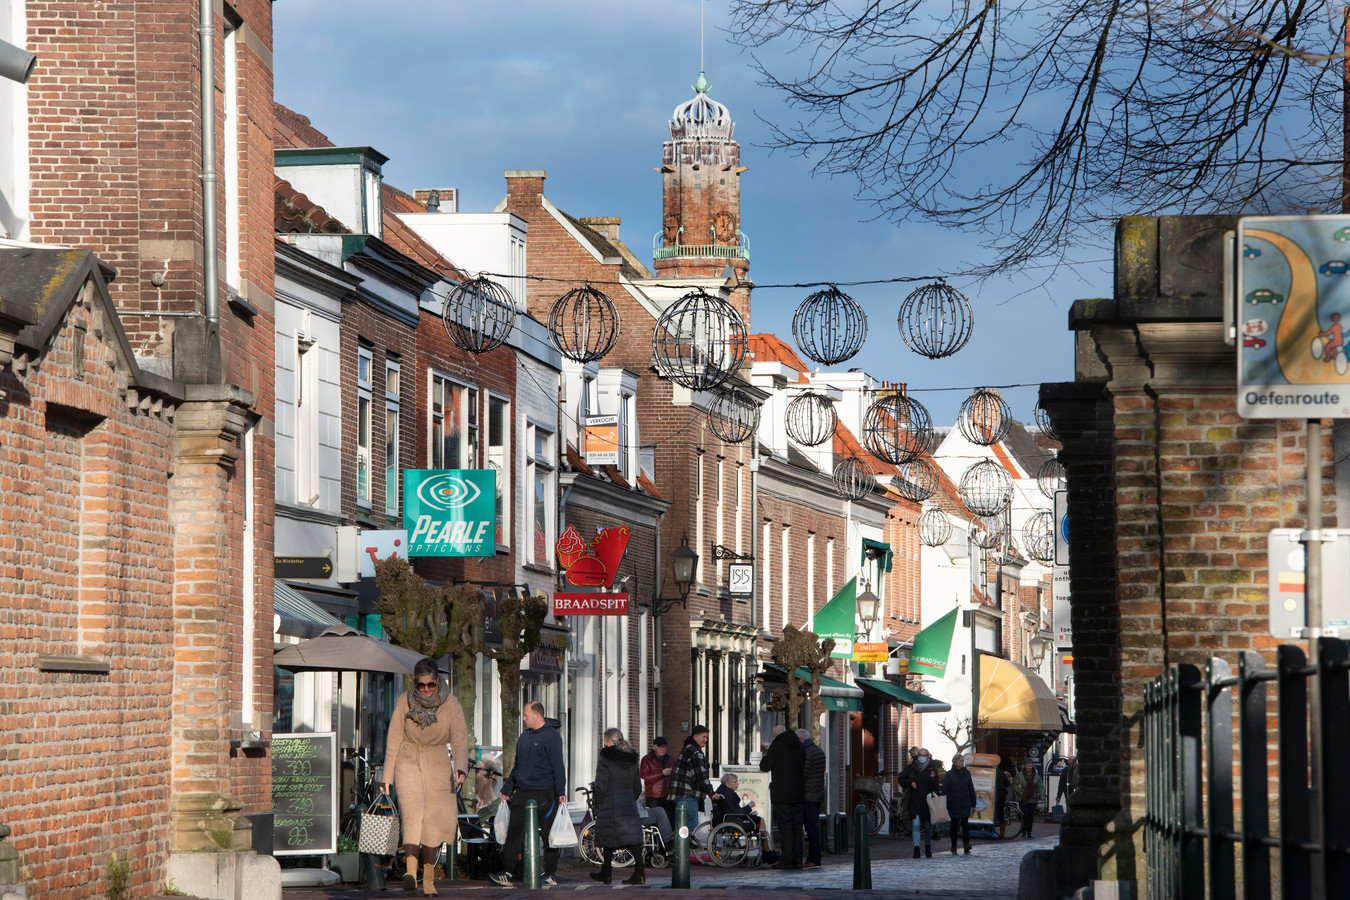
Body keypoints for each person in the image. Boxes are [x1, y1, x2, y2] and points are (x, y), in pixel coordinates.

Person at [381, 659, 469, 898]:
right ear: (415, 683)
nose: (427, 689)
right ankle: (410, 872)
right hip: (407, 761)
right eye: (421, 686)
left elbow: (460, 739)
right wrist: (386, 776)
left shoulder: (451, 704)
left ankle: (428, 879)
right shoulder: (403, 701)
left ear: (438, 681)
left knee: (433, 821)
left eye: (431, 684)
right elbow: (393, 740)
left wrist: (461, 767)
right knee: (412, 815)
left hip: (438, 764)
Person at [490, 702, 568, 887]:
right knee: (514, 832)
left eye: (525, 715)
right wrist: (507, 789)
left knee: (549, 835)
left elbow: (558, 766)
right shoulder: (524, 737)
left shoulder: (552, 737)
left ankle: (550, 874)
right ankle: (508, 872)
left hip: (545, 793)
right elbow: (517, 767)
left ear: (537, 715)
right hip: (522, 792)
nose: (523, 719)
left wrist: (561, 792)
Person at [589, 728, 646, 886]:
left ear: (608, 741)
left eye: (604, 739)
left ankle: (606, 873)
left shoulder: (605, 759)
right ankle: (639, 873)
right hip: (628, 803)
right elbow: (637, 787)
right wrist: (629, 798)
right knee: (633, 839)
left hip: (610, 802)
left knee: (609, 837)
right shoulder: (632, 759)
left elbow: (600, 785)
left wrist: (598, 803)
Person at [759, 724, 805, 869]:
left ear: (776, 736)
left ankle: (786, 859)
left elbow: (764, 766)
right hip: (798, 792)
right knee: (797, 827)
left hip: (782, 793)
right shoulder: (800, 746)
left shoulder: (777, 746)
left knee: (785, 826)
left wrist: (768, 752)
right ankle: (797, 859)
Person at [669, 725, 715, 830]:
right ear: (695, 737)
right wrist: (711, 793)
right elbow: (700, 775)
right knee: (690, 824)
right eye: (703, 737)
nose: (706, 740)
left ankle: (677, 845)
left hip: (679, 794)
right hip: (688, 794)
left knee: (681, 825)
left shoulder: (687, 748)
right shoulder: (695, 752)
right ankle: (682, 846)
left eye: (707, 737)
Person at [900, 746, 940, 858]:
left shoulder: (932, 769)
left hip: (927, 802)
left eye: (924, 755)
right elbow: (901, 779)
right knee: (916, 825)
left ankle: (927, 847)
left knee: (927, 826)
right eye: (920, 755)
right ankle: (916, 848)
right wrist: (910, 782)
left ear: (928, 757)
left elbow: (935, 787)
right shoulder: (912, 767)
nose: (922, 757)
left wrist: (932, 778)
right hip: (914, 800)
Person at [796, 728, 825, 869]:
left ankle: (813, 858)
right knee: (813, 826)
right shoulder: (818, 750)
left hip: (808, 795)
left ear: (801, 740)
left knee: (810, 828)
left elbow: (803, 774)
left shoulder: (807, 753)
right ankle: (815, 857)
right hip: (817, 794)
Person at [943, 754, 978, 856]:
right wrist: (944, 802)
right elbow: (945, 789)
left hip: (965, 802)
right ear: (955, 762)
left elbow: (970, 788)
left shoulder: (967, 773)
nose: (962, 763)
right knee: (954, 825)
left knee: (965, 824)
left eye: (963, 761)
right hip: (953, 803)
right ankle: (953, 845)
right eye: (960, 761)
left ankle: (966, 845)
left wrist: (973, 801)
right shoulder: (949, 774)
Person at [639, 736, 676, 824]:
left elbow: (675, 775)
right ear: (654, 747)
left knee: (669, 821)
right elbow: (645, 776)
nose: (663, 749)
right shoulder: (647, 760)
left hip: (668, 796)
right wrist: (662, 773)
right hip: (654, 797)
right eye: (660, 747)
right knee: (656, 822)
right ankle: (657, 837)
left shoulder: (670, 759)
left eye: (665, 747)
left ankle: (668, 838)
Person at [1013, 760, 1043, 838]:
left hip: (1032, 799)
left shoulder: (1036, 776)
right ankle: (1023, 831)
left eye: (1030, 766)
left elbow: (1040, 786)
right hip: (1022, 798)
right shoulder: (1019, 775)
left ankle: (1029, 831)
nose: (1029, 767)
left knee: (1030, 816)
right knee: (1024, 815)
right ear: (1025, 766)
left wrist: (1042, 797)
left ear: (1032, 766)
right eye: (1027, 766)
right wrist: (1020, 792)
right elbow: (1014, 784)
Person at [995, 758, 1014, 840]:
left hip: (996, 794)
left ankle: (994, 831)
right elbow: (1007, 783)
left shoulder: (991, 772)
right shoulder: (1001, 772)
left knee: (994, 813)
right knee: (1000, 812)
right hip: (1002, 793)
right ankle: (1002, 834)